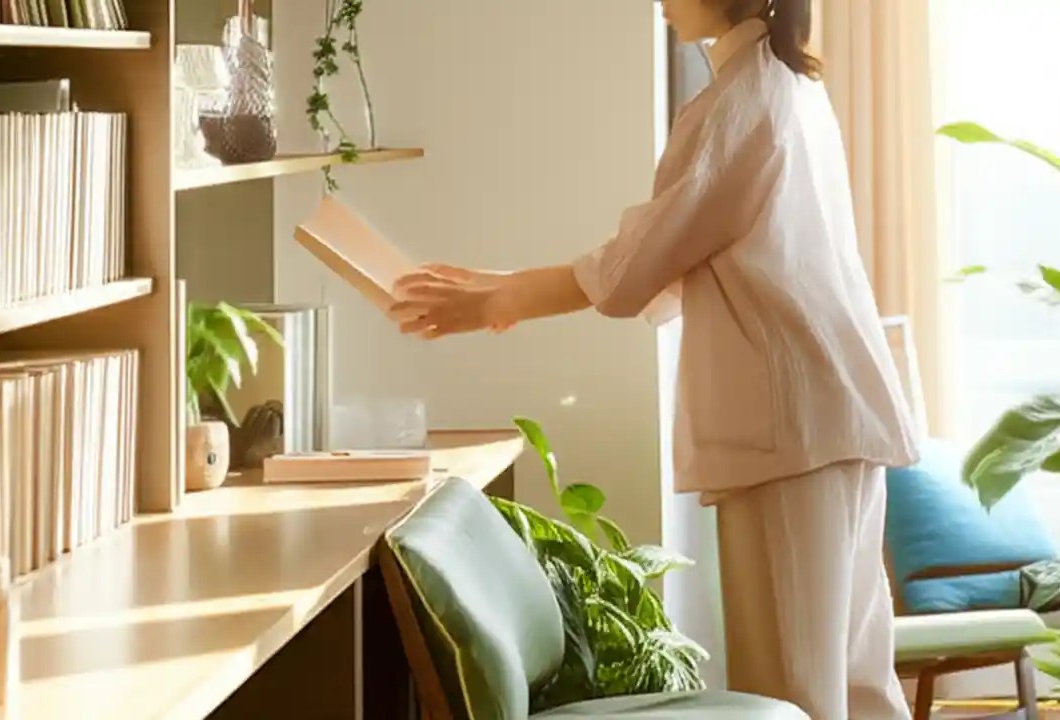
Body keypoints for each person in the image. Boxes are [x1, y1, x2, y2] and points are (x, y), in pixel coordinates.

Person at [388, 0, 920, 717]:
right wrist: (499, 292)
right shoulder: (789, 85)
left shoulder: (738, 104)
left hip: (791, 435)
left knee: (794, 696)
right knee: (854, 686)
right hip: (836, 419)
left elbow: (636, 263)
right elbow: (674, 258)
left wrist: (496, 299)